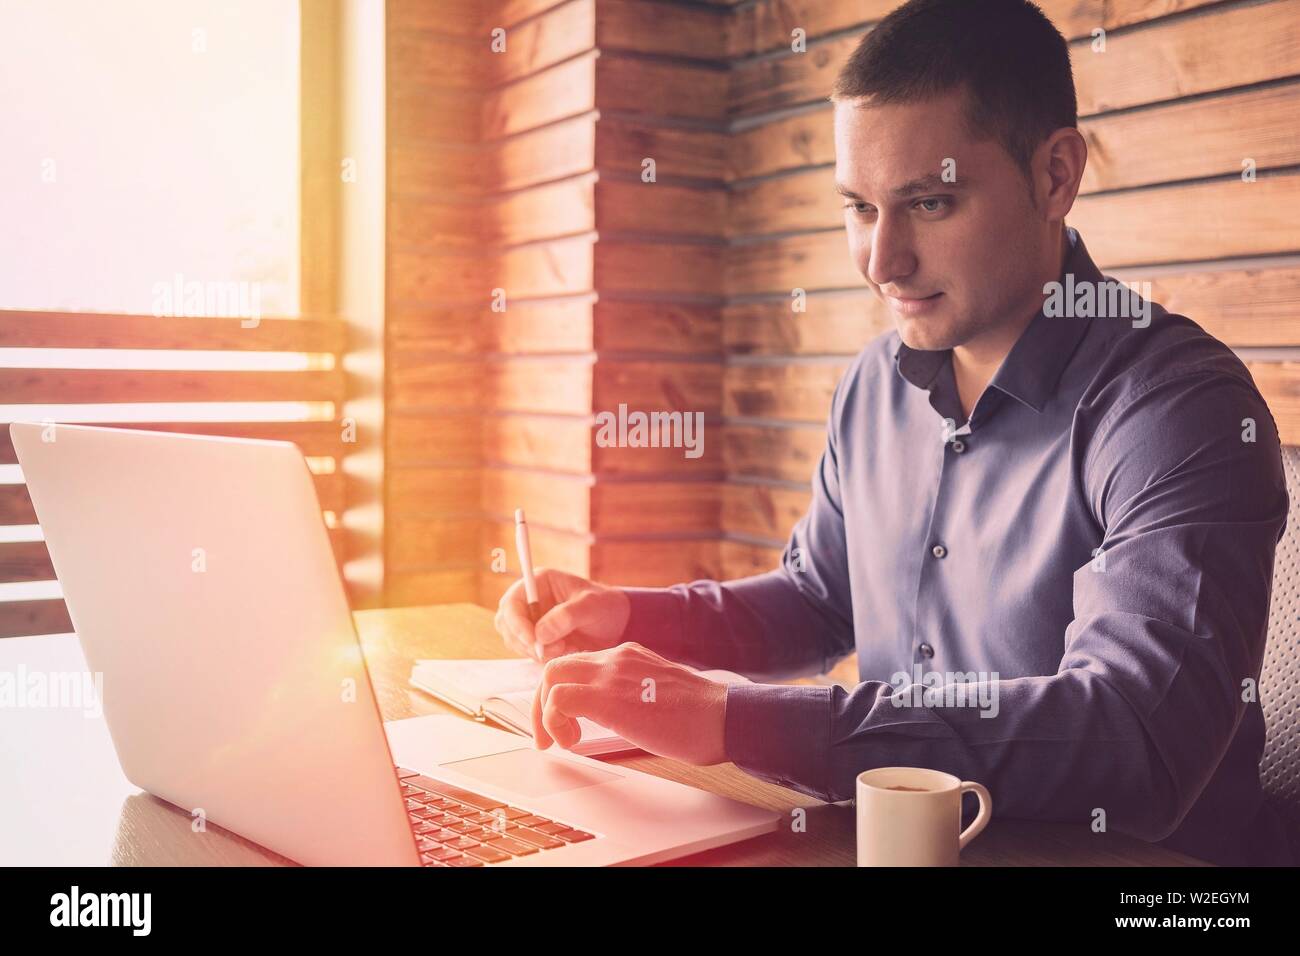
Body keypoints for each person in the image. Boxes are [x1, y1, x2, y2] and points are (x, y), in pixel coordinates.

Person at [493, 0, 1293, 866]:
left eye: (931, 203)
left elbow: (1131, 735)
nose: (882, 262)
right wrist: (626, 621)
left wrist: (733, 721)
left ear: (1056, 175)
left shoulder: (1180, 407)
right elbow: (819, 599)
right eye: (860, 208)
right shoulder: (875, 385)